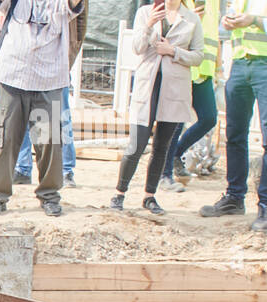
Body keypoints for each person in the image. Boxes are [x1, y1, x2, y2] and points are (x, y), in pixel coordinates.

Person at [0, 0, 88, 218]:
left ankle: (49, 195)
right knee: (6, 140)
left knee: (50, 142)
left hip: (50, 78)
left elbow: (74, 7)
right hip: (13, 73)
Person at [109, 0, 203, 215]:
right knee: (136, 144)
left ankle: (150, 196)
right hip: (147, 87)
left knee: (162, 146)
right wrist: (149, 24)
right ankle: (119, 193)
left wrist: (173, 51)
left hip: (174, 89)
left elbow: (198, 56)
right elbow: (137, 47)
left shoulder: (192, 18)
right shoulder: (145, 12)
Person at [200, 0, 267, 228]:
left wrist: (256, 20)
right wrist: (227, 22)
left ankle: (265, 207)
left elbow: (255, 21)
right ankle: (235, 197)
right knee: (235, 134)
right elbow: (226, 26)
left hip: (264, 65)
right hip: (239, 64)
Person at [158, 0, 221, 193]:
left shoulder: (214, 3)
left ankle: (176, 153)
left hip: (203, 69)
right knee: (176, 123)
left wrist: (218, 67)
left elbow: (213, 34)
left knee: (209, 118)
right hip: (183, 68)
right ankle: (164, 174)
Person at [12, 84, 78, 186]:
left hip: (54, 76)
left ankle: (64, 170)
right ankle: (22, 168)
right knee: (22, 117)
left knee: (60, 117)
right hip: (26, 76)